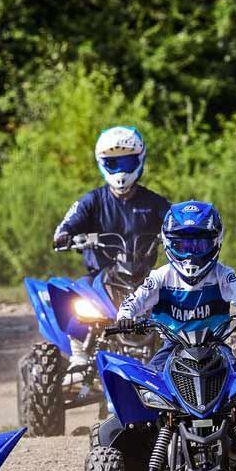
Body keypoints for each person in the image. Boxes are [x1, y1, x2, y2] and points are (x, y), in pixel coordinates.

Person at [53, 126, 171, 368]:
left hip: (144, 276)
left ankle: (181, 352)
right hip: (100, 278)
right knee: (75, 295)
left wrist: (184, 233)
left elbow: (176, 221)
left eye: (127, 162)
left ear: (140, 160)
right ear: (101, 163)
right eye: (113, 163)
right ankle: (80, 356)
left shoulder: (155, 202)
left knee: (181, 299)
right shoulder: (92, 201)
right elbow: (65, 227)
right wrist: (65, 236)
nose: (121, 170)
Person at [115, 200, 236, 372]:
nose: (190, 254)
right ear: (168, 243)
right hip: (172, 347)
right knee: (149, 382)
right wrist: (125, 317)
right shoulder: (161, 277)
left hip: (216, 346)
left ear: (216, 242)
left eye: (199, 245)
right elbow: (135, 299)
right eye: (182, 246)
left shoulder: (222, 275)